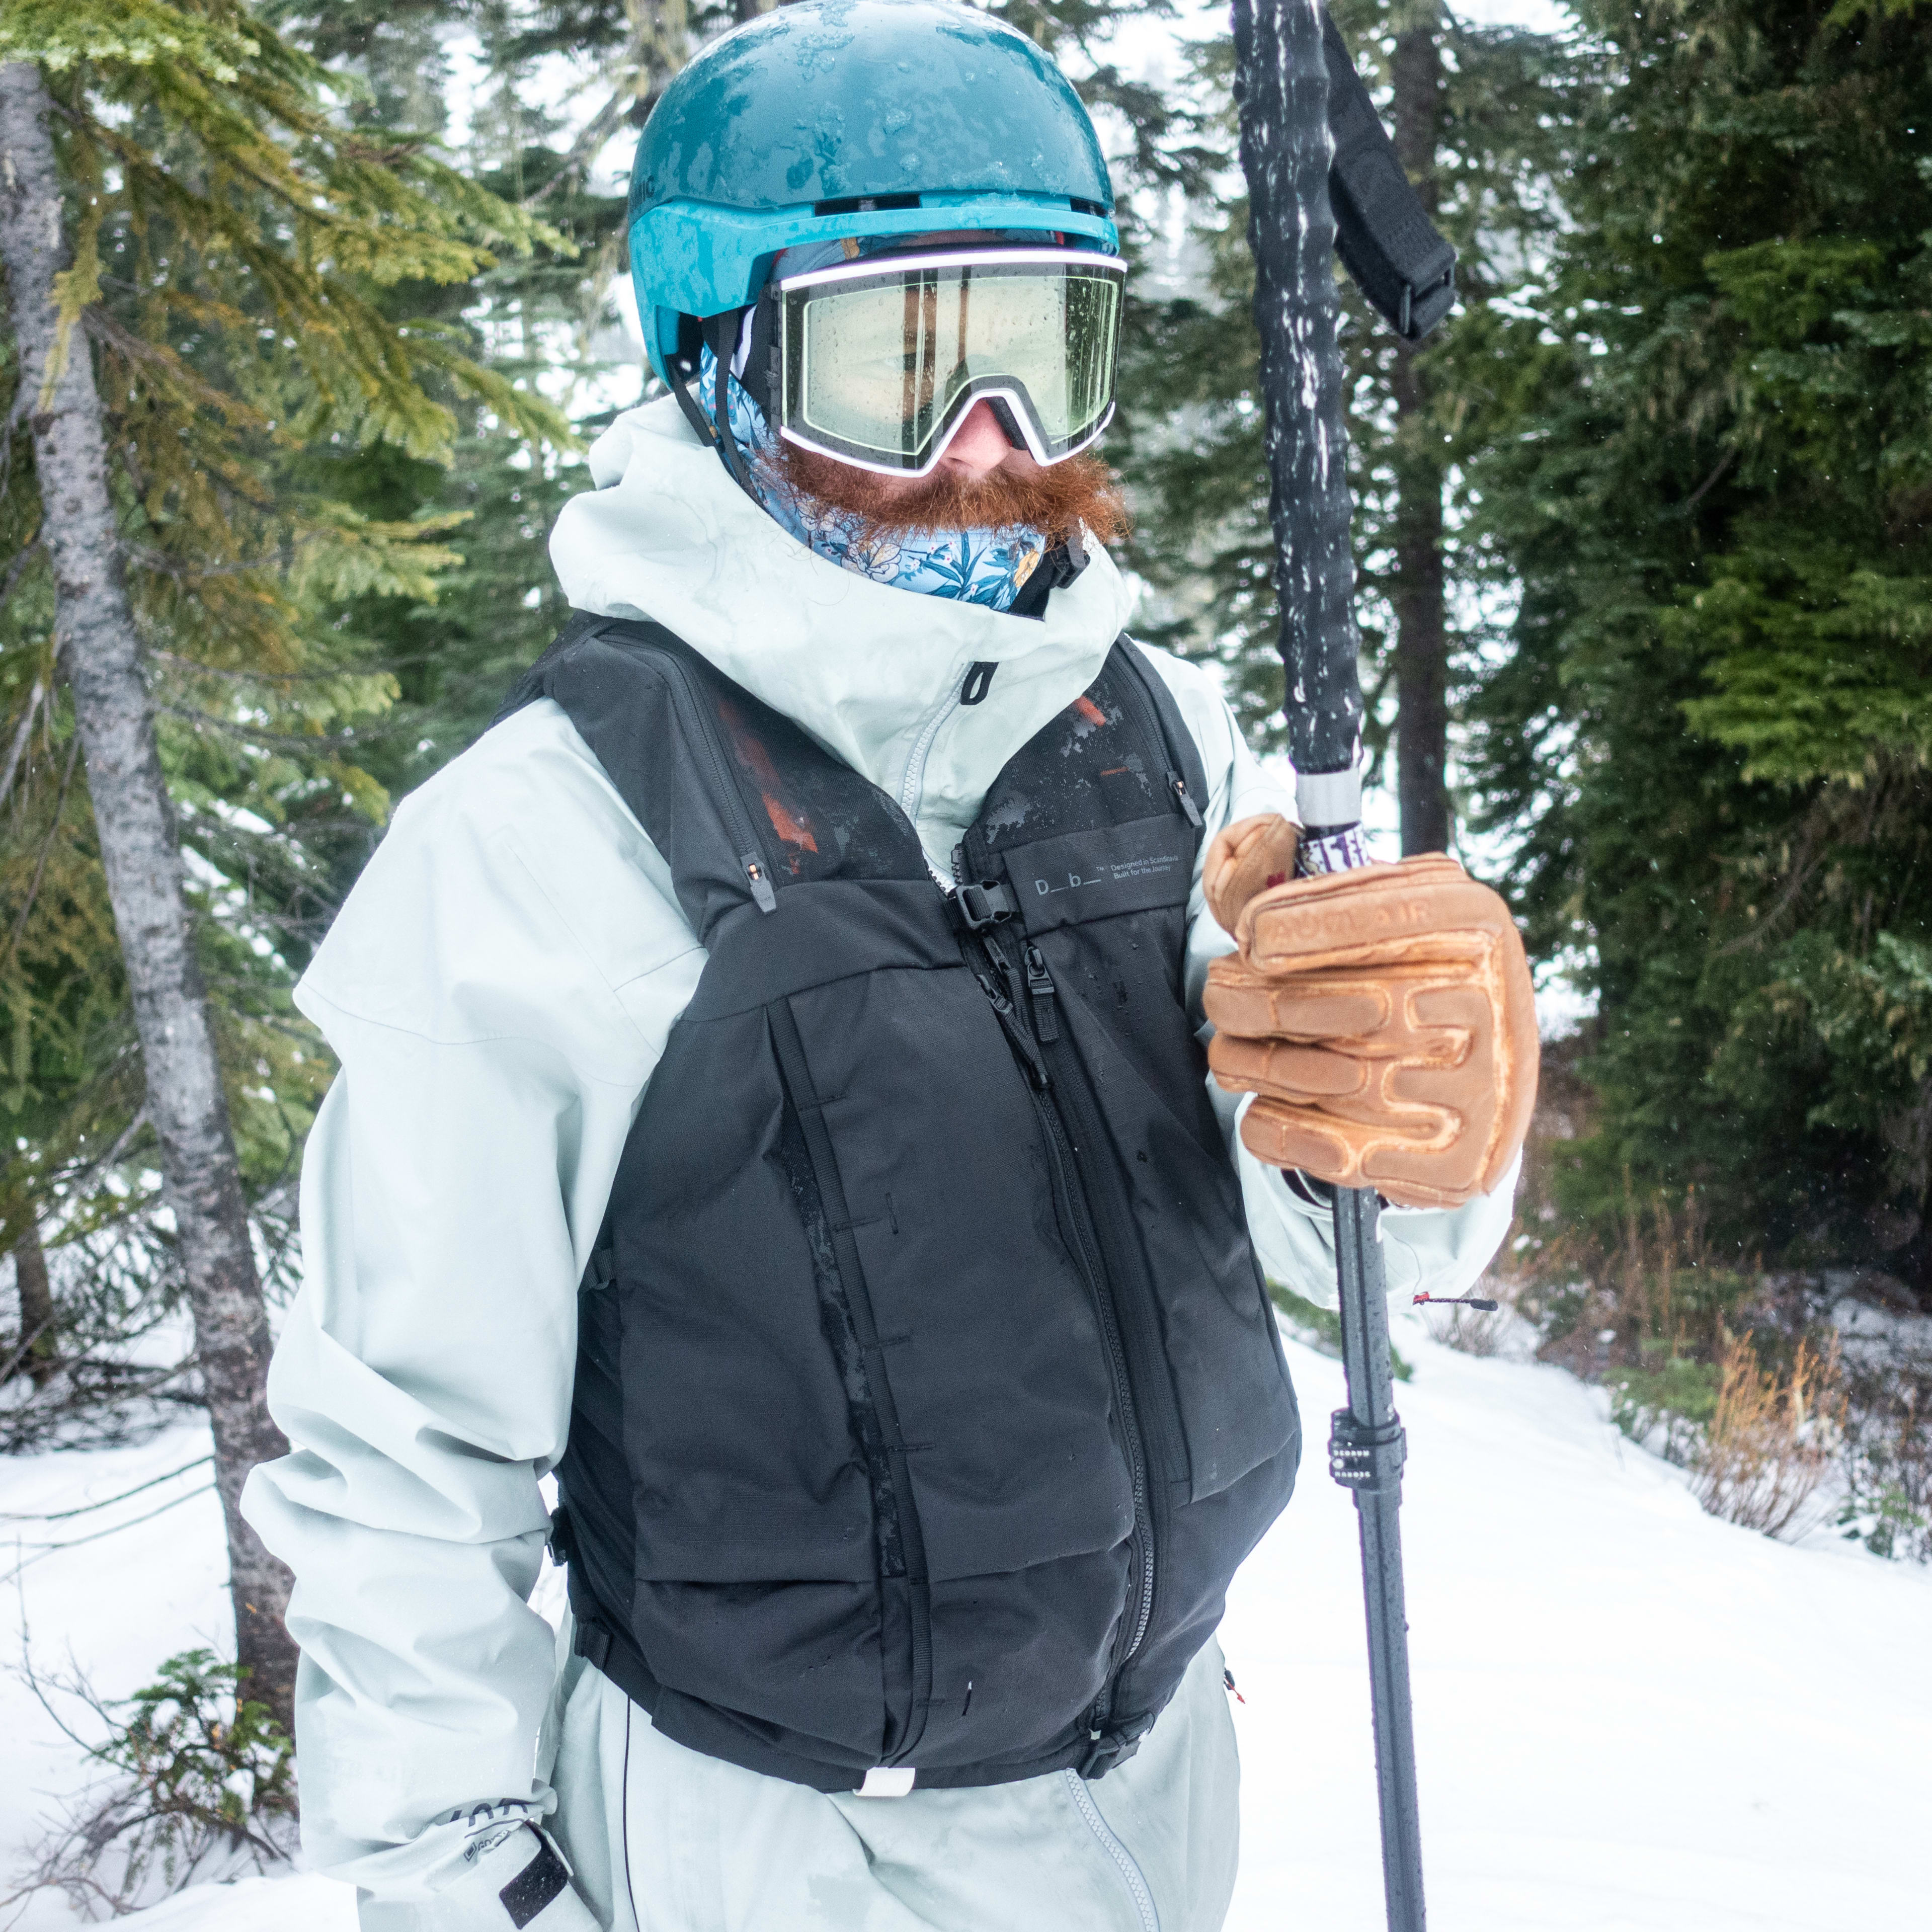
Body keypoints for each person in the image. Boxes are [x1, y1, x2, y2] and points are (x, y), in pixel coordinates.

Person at [242, 6, 1536, 1929]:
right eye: (897, 362)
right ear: (720, 367)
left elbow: (1347, 1243)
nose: (985, 446)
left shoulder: (1159, 741)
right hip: (762, 1844)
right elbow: (401, 1472)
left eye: (1042, 350)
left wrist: (1433, 1124)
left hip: (1155, 1793)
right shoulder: (543, 838)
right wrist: (460, 1886)